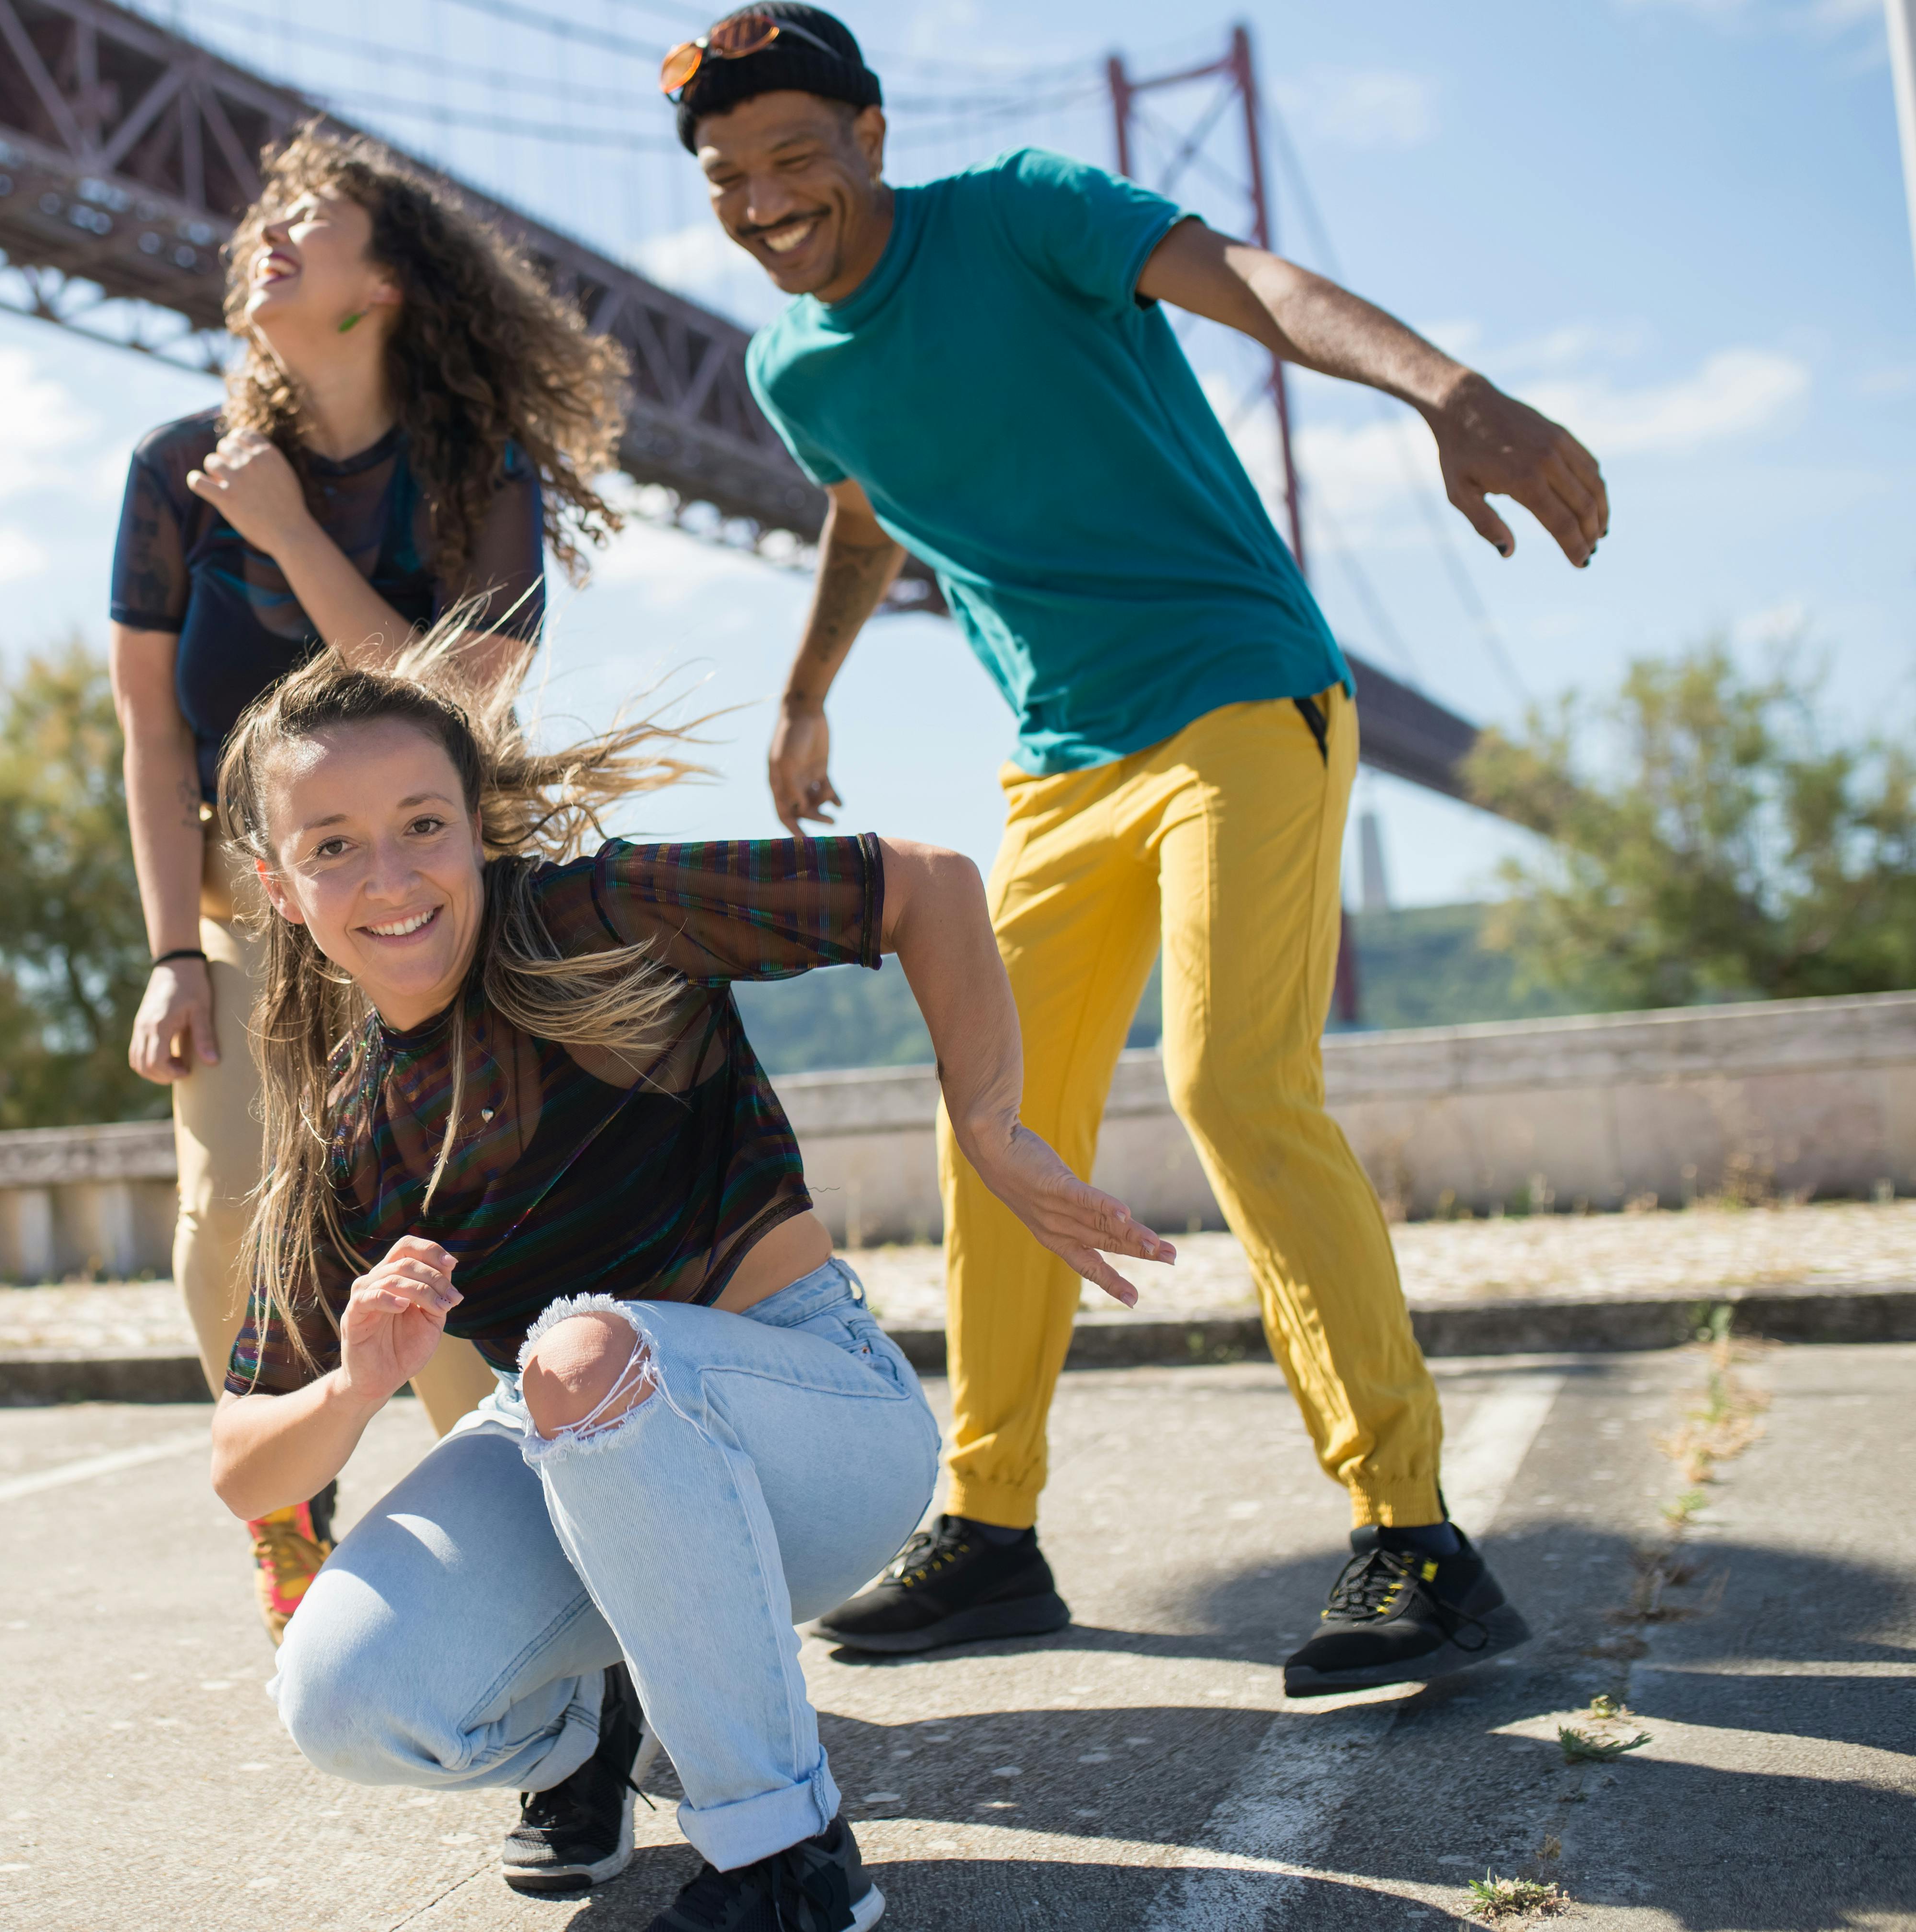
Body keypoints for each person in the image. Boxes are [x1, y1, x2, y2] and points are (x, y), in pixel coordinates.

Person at [668, 5, 1602, 1694]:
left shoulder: (1026, 209)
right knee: (995, 1121)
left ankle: (1415, 1541)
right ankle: (993, 1534)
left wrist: (1446, 390)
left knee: (1235, 1086)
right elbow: (867, 505)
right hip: (1056, 770)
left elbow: (1254, 278)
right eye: (731, 177)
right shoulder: (791, 369)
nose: (767, 198)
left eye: (798, 155)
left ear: (872, 137)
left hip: (1241, 694)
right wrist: (806, 694)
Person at [207, 640, 1174, 1926]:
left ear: (477, 831)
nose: (390, 876)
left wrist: (991, 1125)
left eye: (423, 824)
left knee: (578, 1355)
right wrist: (355, 1382)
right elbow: (245, 1467)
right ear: (279, 887)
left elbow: (927, 889)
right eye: (332, 847)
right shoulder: (341, 1127)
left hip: (818, 1423)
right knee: (339, 1695)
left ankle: (786, 1861)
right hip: (574, 1439)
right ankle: (588, 1721)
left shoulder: (600, 915)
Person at [107, 125, 629, 1641]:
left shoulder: (479, 472)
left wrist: (283, 532)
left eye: (310, 218)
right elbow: (151, 733)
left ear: (389, 278)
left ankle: (531, 1543)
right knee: (232, 1222)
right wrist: (169, 952)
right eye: (260, 218)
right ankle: (289, 1509)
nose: (266, 234)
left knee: (460, 1225)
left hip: (431, 910)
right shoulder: (170, 470)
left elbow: (460, 696)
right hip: (246, 910)